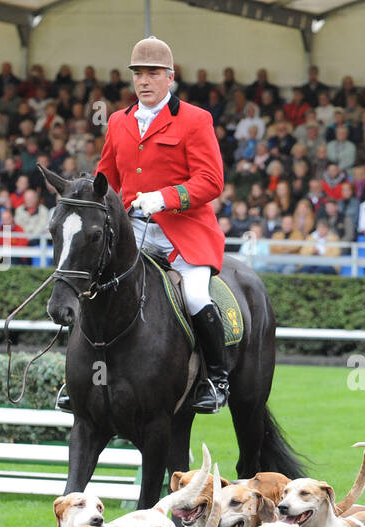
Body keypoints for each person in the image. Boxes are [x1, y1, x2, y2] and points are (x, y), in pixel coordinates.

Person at [85, 35, 230, 413]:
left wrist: (165, 198)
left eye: (153, 73)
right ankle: (82, 376)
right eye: (139, 74)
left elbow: (212, 181)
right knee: (88, 284)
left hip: (183, 232)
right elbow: (107, 181)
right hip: (132, 230)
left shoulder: (196, 120)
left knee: (197, 296)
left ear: (170, 77)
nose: (145, 81)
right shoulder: (118, 121)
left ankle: (217, 378)